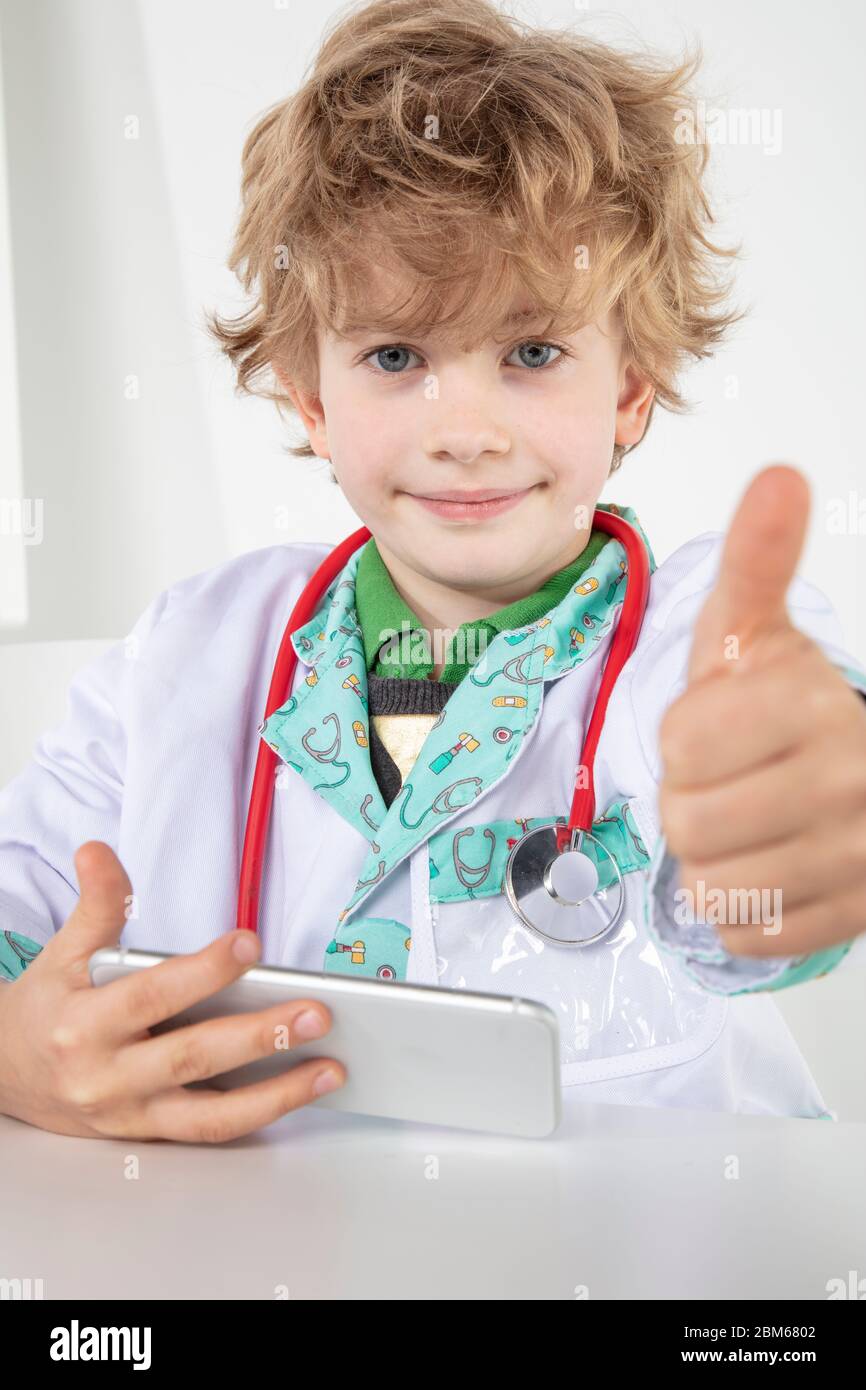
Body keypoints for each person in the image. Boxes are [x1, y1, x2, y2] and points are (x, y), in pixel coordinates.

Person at [2, 0, 865, 1143]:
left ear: (628, 388)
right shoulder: (188, 649)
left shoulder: (692, 634)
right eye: (395, 355)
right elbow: (22, 915)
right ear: (312, 399)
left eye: (532, 351)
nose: (463, 429)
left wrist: (785, 821)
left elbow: (782, 795)